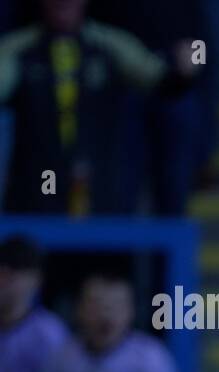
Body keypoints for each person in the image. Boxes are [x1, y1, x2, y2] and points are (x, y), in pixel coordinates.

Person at [0, 0, 200, 215]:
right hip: (37, 176)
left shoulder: (110, 44)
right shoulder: (17, 47)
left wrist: (183, 72)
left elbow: (157, 80)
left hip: (97, 176)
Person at [30, 272, 180, 372]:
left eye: (116, 306)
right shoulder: (64, 354)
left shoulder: (150, 354)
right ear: (79, 309)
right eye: (97, 304)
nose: (106, 314)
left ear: (131, 311)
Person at [0, 235, 71, 372]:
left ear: (36, 279)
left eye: (14, 275)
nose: (5, 282)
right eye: (2, 273)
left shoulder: (49, 332)